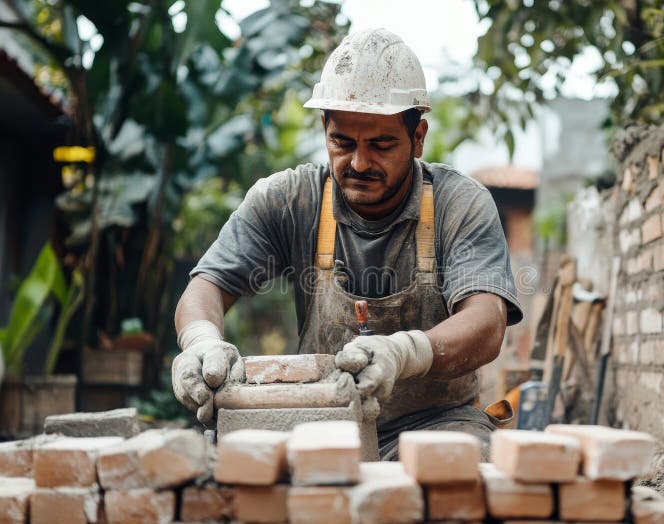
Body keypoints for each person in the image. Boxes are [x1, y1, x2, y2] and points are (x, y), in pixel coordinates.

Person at [172, 28, 522, 459]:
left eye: (380, 145)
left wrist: (404, 353)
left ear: (418, 137)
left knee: (462, 472)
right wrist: (201, 341)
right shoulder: (287, 199)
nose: (358, 162)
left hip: (434, 423)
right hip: (321, 418)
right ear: (325, 128)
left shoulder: (459, 203)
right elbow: (207, 285)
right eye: (342, 142)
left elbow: (487, 323)